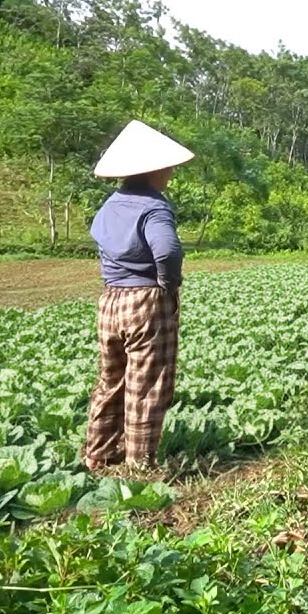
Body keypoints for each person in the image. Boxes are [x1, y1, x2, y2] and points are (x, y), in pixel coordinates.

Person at [82, 120, 194, 470]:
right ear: (154, 169)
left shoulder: (109, 206)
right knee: (146, 385)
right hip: (145, 301)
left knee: (111, 381)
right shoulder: (154, 206)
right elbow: (167, 251)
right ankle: (139, 464)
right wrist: (168, 285)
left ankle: (98, 455)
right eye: (168, 167)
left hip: (110, 301)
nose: (171, 172)